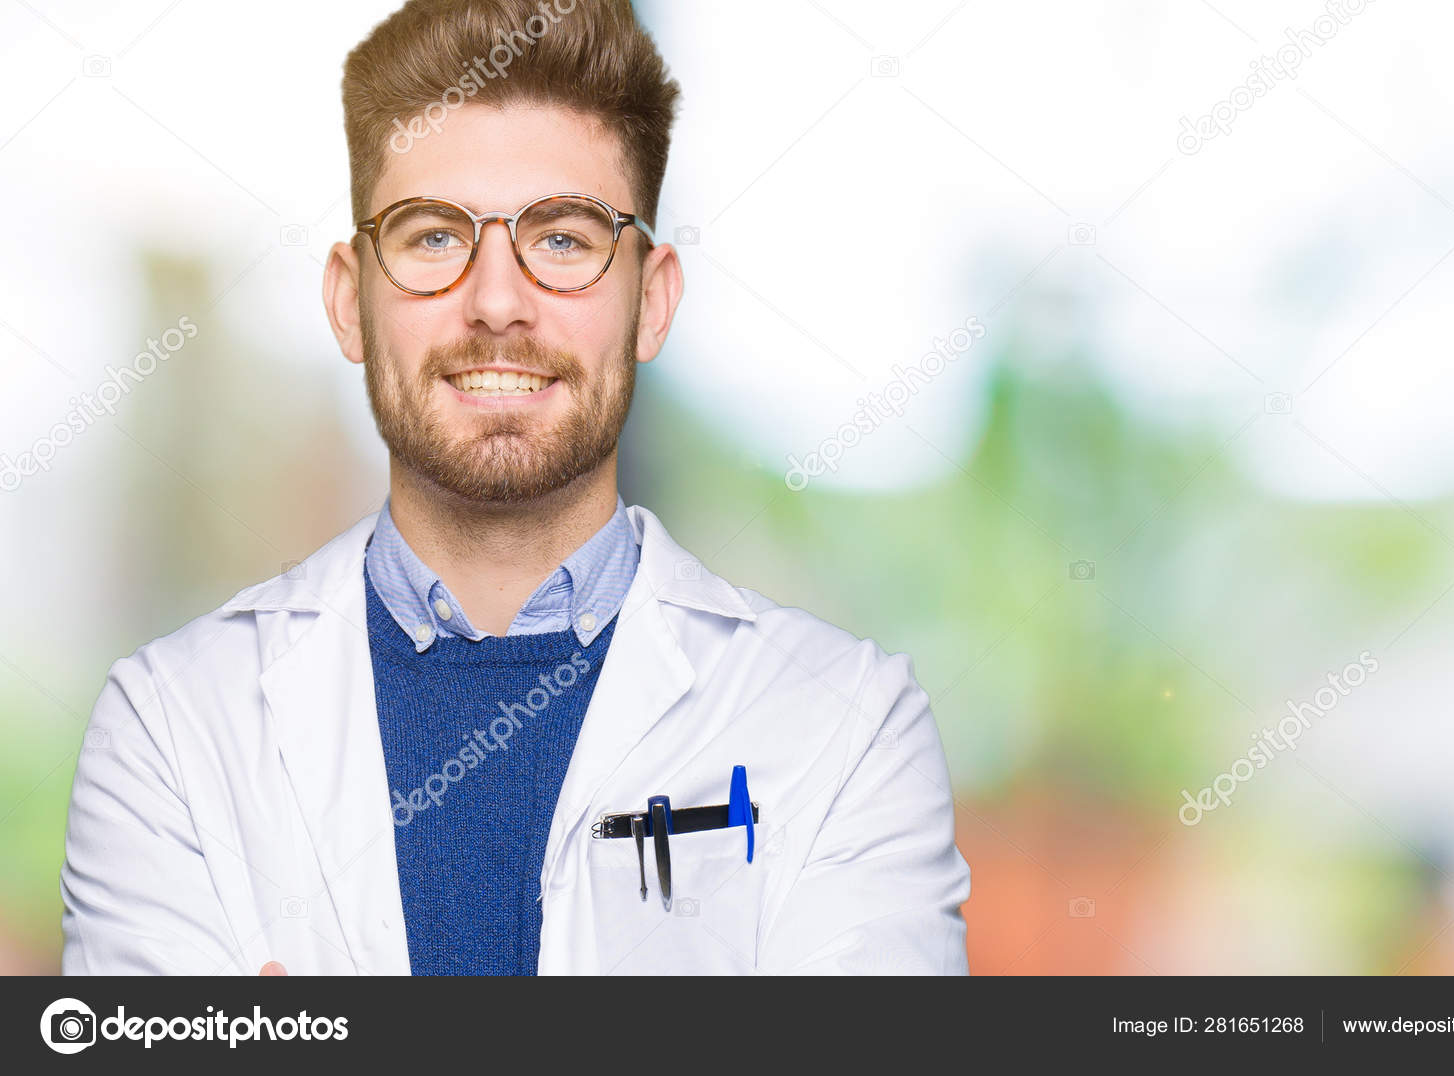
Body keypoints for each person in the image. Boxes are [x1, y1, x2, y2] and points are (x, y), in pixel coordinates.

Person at [59, 0, 969, 975]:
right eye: (433, 238)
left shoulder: (848, 727)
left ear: (652, 300)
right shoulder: (168, 730)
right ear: (349, 301)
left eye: (564, 240)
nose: (497, 304)